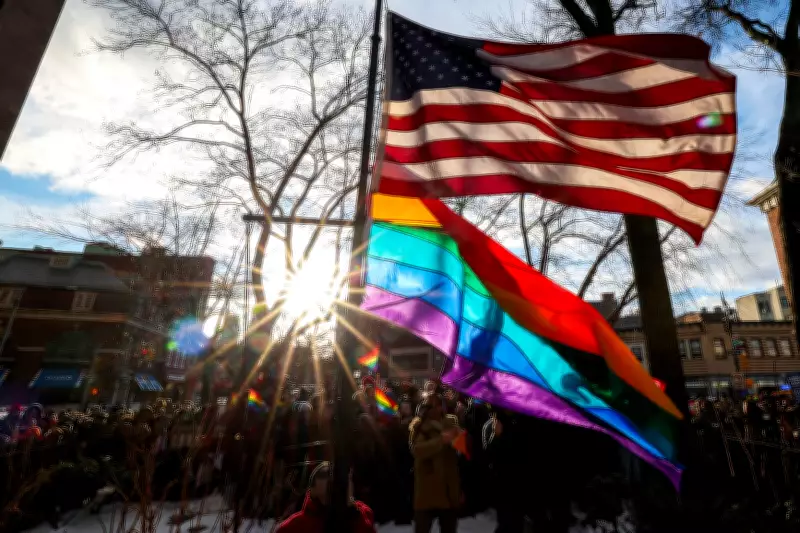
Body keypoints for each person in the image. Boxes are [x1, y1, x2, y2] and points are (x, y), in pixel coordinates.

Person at [409, 393, 461, 533]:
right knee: (422, 528)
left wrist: (460, 438)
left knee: (449, 528)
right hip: (427, 490)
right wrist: (440, 440)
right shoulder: (419, 425)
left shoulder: (451, 422)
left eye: (437, 405)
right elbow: (417, 450)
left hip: (448, 489)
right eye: (430, 405)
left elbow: (464, 450)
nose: (435, 409)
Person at [275, 461, 375, 533]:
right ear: (312, 489)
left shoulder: (362, 514)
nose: (332, 481)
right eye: (325, 475)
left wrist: (354, 513)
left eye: (337, 477)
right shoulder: (294, 527)